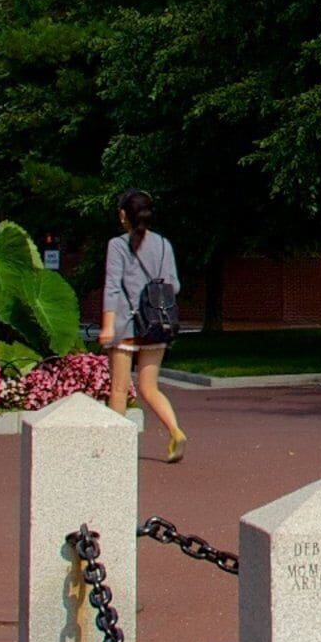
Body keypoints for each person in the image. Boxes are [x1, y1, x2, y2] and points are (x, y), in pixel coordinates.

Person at [98, 189, 190, 464]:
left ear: (125, 215)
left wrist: (107, 325)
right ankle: (175, 431)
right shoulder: (164, 244)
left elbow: (113, 286)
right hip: (156, 322)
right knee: (150, 387)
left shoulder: (117, 245)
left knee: (119, 388)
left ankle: (115, 450)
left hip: (127, 324)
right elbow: (174, 285)